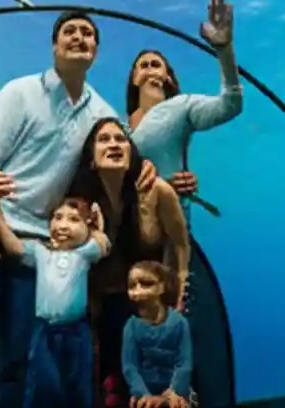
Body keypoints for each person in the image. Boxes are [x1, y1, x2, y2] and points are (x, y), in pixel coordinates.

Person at [0, 11, 119, 408]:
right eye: (69, 31)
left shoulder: (102, 114)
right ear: (54, 45)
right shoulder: (19, 92)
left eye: (87, 33)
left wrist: (155, 171)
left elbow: (124, 150)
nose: (78, 37)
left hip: (36, 237)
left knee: (20, 349)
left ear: (96, 51)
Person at [68, 117, 190, 407]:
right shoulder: (79, 203)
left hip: (149, 305)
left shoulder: (156, 190)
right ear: (91, 158)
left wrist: (179, 289)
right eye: (104, 139)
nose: (114, 144)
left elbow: (180, 243)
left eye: (120, 139)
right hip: (101, 308)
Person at [126, 0, 243, 226]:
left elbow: (231, 104)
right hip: (128, 227)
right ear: (134, 78)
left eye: (156, 65)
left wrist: (224, 49)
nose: (150, 69)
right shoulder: (116, 128)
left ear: (168, 77)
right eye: (143, 66)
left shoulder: (182, 106)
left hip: (172, 229)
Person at [0, 196, 111, 408]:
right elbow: (15, 247)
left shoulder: (84, 254)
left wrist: (96, 223)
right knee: (43, 382)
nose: (63, 225)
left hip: (77, 332)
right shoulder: (40, 252)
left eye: (74, 219)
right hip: (45, 331)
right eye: (58, 217)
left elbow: (103, 243)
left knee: (78, 383)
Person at [122, 261, 193, 408]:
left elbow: (184, 362)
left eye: (146, 283)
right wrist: (143, 393)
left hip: (175, 394)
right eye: (132, 285)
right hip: (144, 393)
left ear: (162, 286)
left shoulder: (179, 323)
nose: (138, 289)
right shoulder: (132, 326)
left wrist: (175, 390)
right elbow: (130, 366)